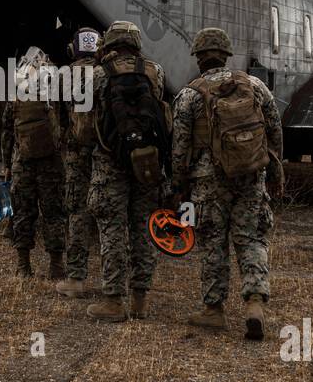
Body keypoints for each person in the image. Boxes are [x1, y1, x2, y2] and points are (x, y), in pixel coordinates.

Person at [170, 27, 283, 340]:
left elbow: (179, 148)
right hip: (250, 174)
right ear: (226, 54)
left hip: (208, 182)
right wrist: (272, 169)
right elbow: (275, 129)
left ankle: (213, 310)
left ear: (198, 58)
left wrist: (179, 185)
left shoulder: (190, 94)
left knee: (212, 243)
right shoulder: (255, 86)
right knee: (252, 238)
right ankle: (255, 303)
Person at [86, 21, 170, 322]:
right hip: (147, 161)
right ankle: (140, 299)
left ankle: (113, 300)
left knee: (112, 229)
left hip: (110, 162)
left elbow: (84, 123)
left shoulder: (97, 76)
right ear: (136, 44)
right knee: (143, 228)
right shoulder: (154, 72)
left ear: (108, 45)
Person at [1, 47, 66, 278]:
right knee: (54, 213)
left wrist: (7, 164)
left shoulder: (16, 94)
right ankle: (56, 266)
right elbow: (65, 126)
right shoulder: (56, 94)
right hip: (52, 163)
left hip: (23, 161)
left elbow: (7, 130)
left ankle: (23, 266)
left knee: (23, 212)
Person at [55, 25, 101, 298]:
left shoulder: (63, 75)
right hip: (105, 154)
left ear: (73, 49)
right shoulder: (105, 74)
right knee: (112, 216)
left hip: (74, 153)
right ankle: (116, 284)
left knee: (77, 213)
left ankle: (76, 278)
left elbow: (58, 114)